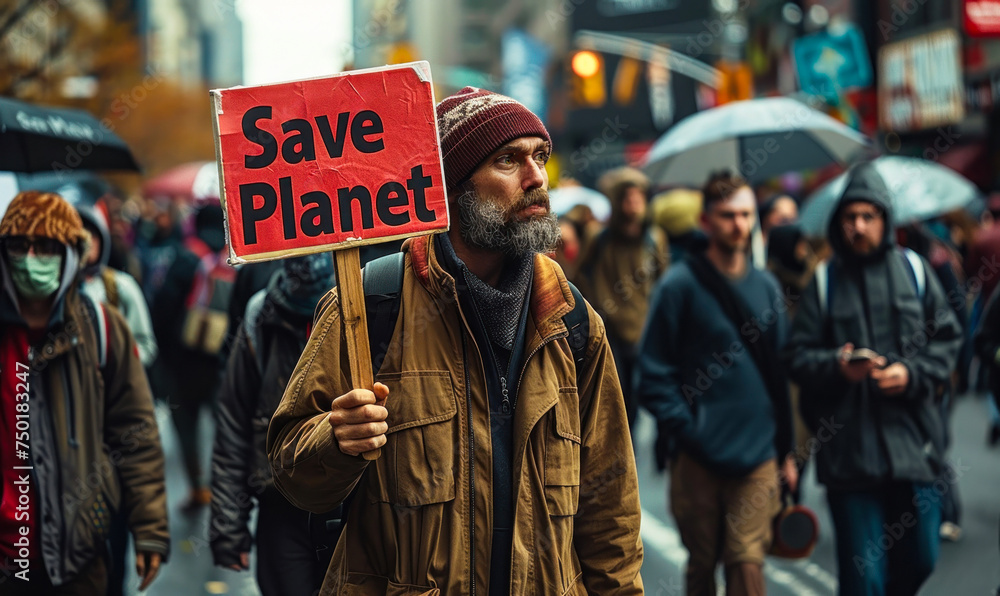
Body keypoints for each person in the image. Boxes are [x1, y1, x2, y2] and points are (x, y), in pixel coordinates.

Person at [267, 86, 644, 595]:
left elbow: (610, 507)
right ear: (453, 186)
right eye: (508, 160)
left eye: (540, 156)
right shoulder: (372, 306)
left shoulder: (573, 321)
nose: (536, 177)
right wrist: (335, 440)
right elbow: (292, 471)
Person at [785, 162, 962, 596]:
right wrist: (837, 366)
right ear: (839, 222)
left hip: (914, 447)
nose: (859, 226)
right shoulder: (824, 281)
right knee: (864, 581)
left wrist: (912, 373)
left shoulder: (914, 271)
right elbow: (796, 356)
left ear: (885, 219)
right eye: (850, 217)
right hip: (850, 456)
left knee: (922, 557)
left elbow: (947, 339)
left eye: (869, 216)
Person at [0, 191, 169, 595]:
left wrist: (149, 528)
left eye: (45, 247)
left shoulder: (101, 327)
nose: (30, 258)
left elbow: (136, 431)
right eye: (19, 246)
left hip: (80, 552)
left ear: (70, 254)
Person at [637, 171, 797, 596]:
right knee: (703, 567)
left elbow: (783, 376)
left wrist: (788, 451)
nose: (739, 225)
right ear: (706, 221)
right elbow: (652, 373)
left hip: (758, 456)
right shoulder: (679, 286)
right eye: (728, 216)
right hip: (698, 460)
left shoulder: (766, 287)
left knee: (747, 563)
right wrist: (688, 428)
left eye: (746, 214)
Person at [210, 253, 338, 596]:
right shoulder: (260, 315)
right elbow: (234, 423)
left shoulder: (364, 303)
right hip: (281, 504)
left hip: (352, 505)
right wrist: (229, 525)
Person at [152, 203, 233, 511]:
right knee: (225, 426)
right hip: (221, 364)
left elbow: (162, 309)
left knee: (187, 427)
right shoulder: (232, 258)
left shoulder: (185, 257)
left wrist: (167, 354)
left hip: (183, 364)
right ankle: (225, 486)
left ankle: (199, 488)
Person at [576, 167, 669, 429]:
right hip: (610, 329)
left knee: (645, 396)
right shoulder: (599, 238)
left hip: (645, 328)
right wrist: (595, 306)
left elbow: (665, 282)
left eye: (638, 198)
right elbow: (579, 275)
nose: (634, 205)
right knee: (617, 400)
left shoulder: (654, 238)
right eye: (627, 199)